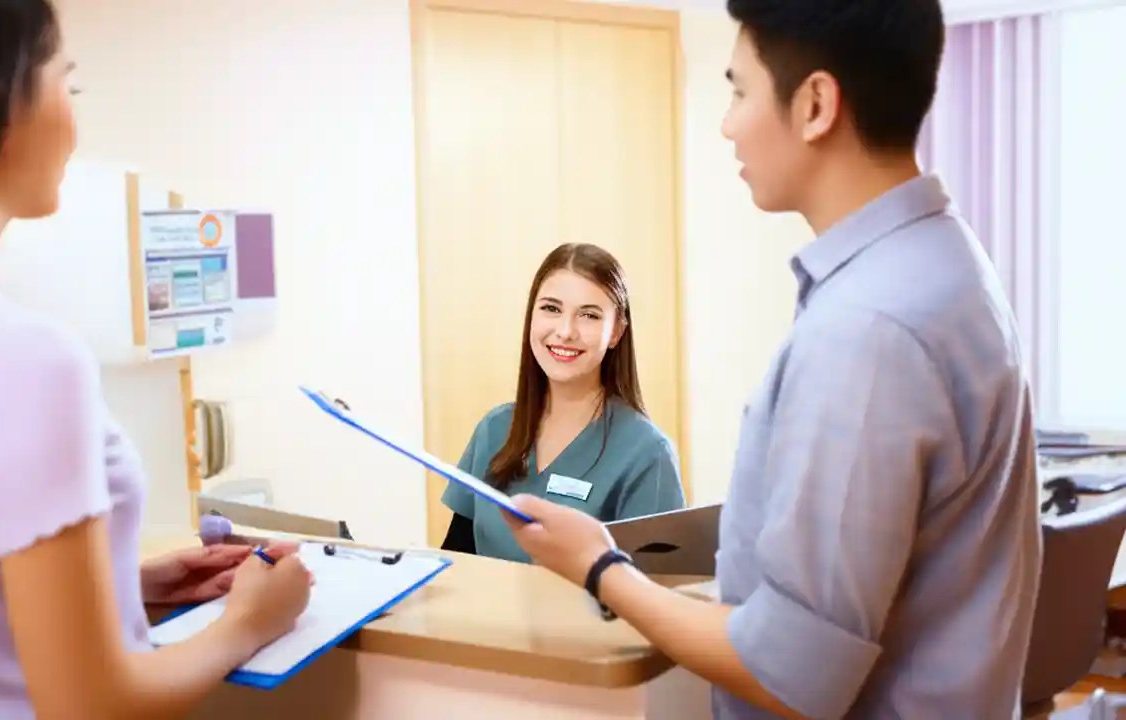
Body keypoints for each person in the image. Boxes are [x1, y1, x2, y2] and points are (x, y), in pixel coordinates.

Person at [502, 1, 1041, 718]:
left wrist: (601, 568)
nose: (727, 123)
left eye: (739, 90)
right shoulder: (946, 263)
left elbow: (794, 674)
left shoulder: (867, 330)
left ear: (815, 104)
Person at [0, 2, 311, 717]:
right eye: (69, 82)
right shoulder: (21, 359)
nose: (74, 118)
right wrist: (249, 623)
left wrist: (124, 586)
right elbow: (92, 705)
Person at [441, 242, 685, 563]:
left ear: (616, 333)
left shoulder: (647, 454)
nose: (565, 331)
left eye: (588, 315)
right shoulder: (494, 430)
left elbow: (658, 592)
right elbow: (457, 561)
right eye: (551, 309)